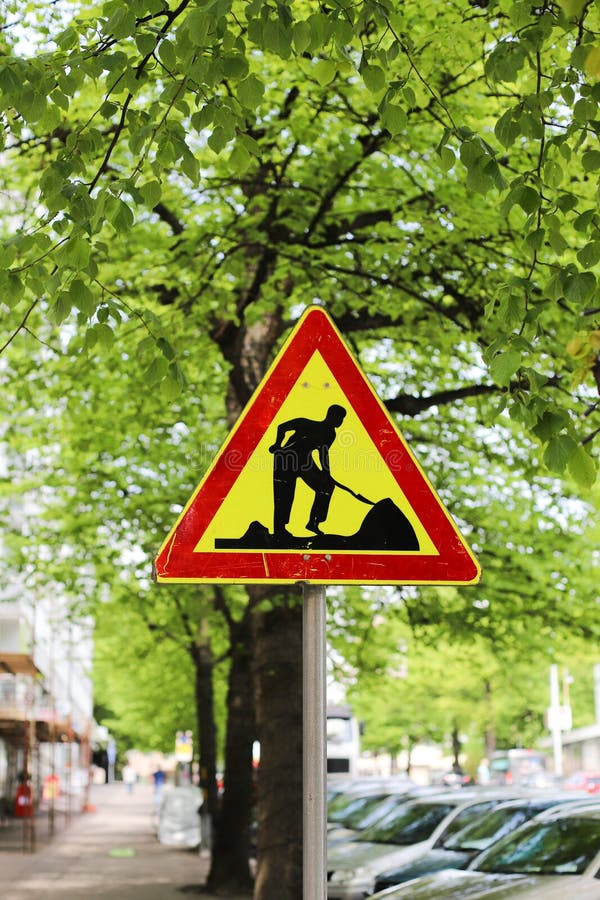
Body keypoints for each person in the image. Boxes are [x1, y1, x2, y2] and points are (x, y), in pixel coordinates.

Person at [269, 404, 347, 536]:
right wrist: (277, 444)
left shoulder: (330, 434)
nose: (341, 421)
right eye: (339, 417)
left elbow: (323, 453)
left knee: (326, 486)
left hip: (304, 462)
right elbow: (281, 427)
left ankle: (314, 522)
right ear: (330, 415)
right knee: (284, 495)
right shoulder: (305, 423)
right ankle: (279, 530)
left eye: (342, 418)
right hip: (286, 460)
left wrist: (326, 473)